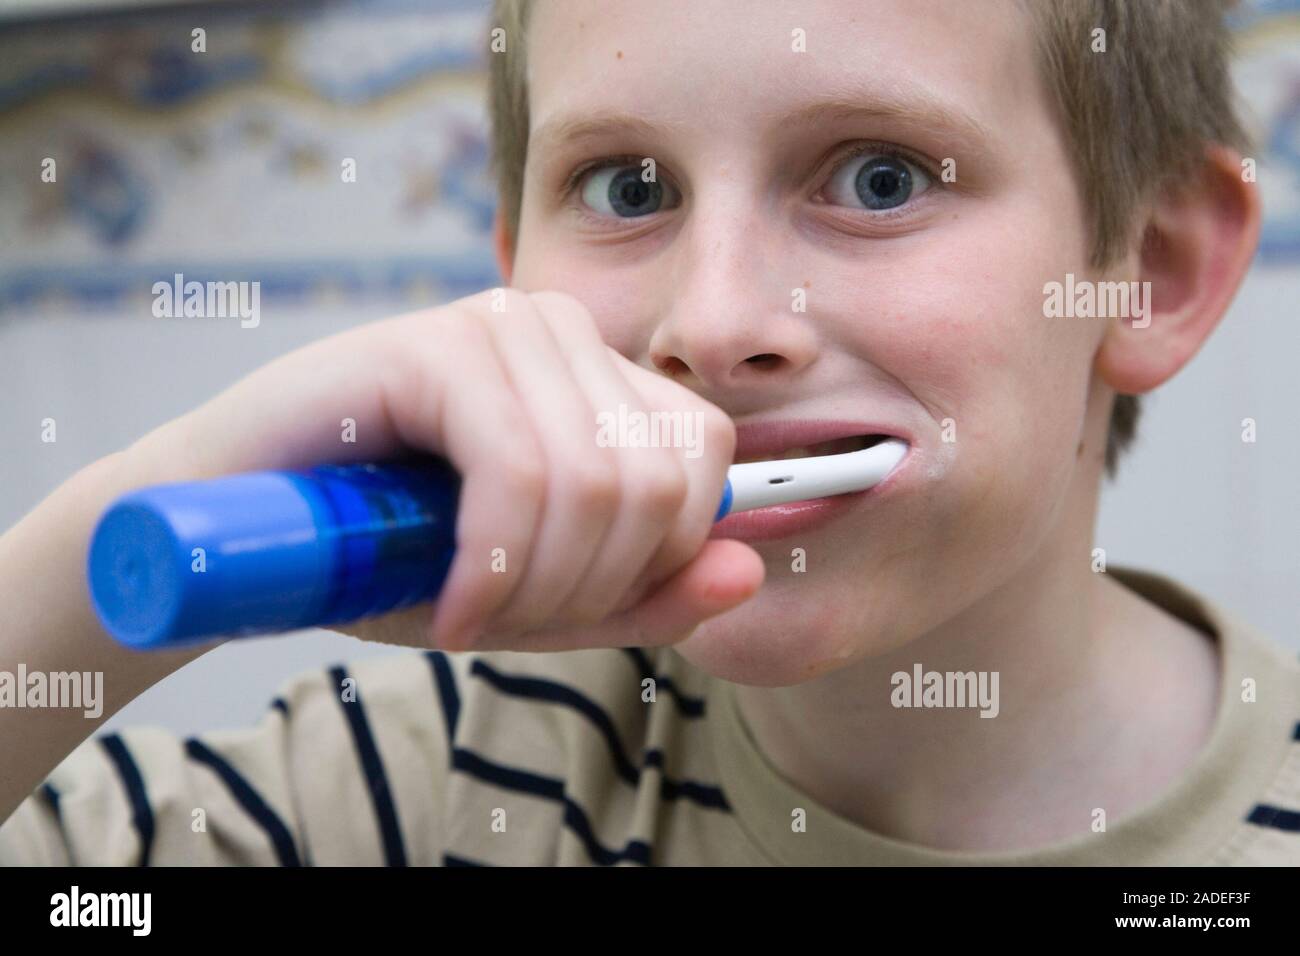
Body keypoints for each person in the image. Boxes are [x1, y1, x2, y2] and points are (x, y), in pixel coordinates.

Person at [3, 0, 1295, 866]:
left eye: (879, 178)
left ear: (1153, 270)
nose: (715, 322)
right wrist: (146, 504)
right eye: (628, 189)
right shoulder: (427, 784)